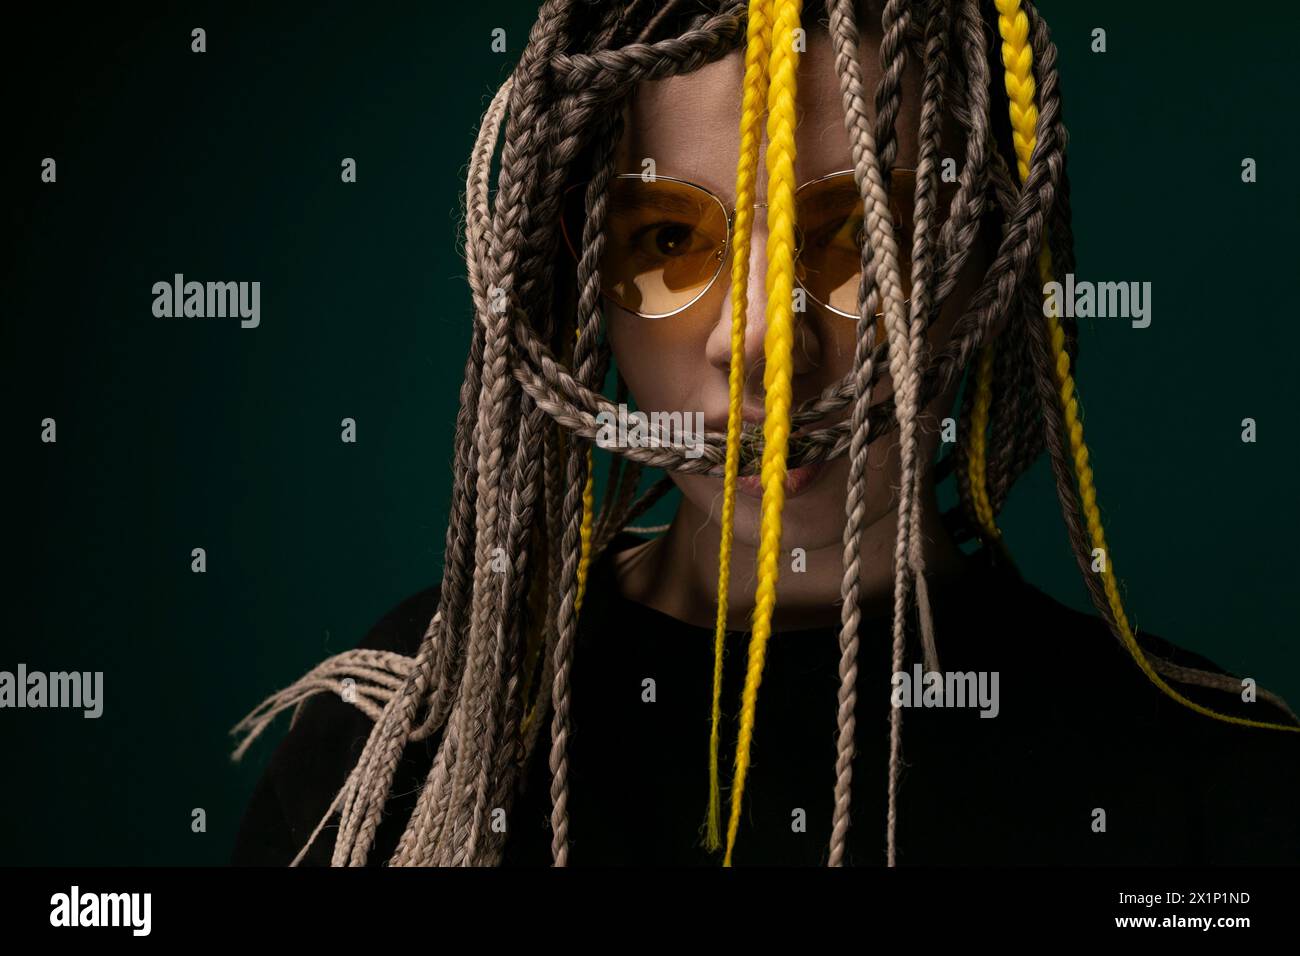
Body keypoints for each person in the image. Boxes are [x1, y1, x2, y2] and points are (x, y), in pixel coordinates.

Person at [229, 0, 1300, 867]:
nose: (760, 341)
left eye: (851, 235)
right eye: (667, 238)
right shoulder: (413, 731)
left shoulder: (1207, 787)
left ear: (985, 255)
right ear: (581, 277)